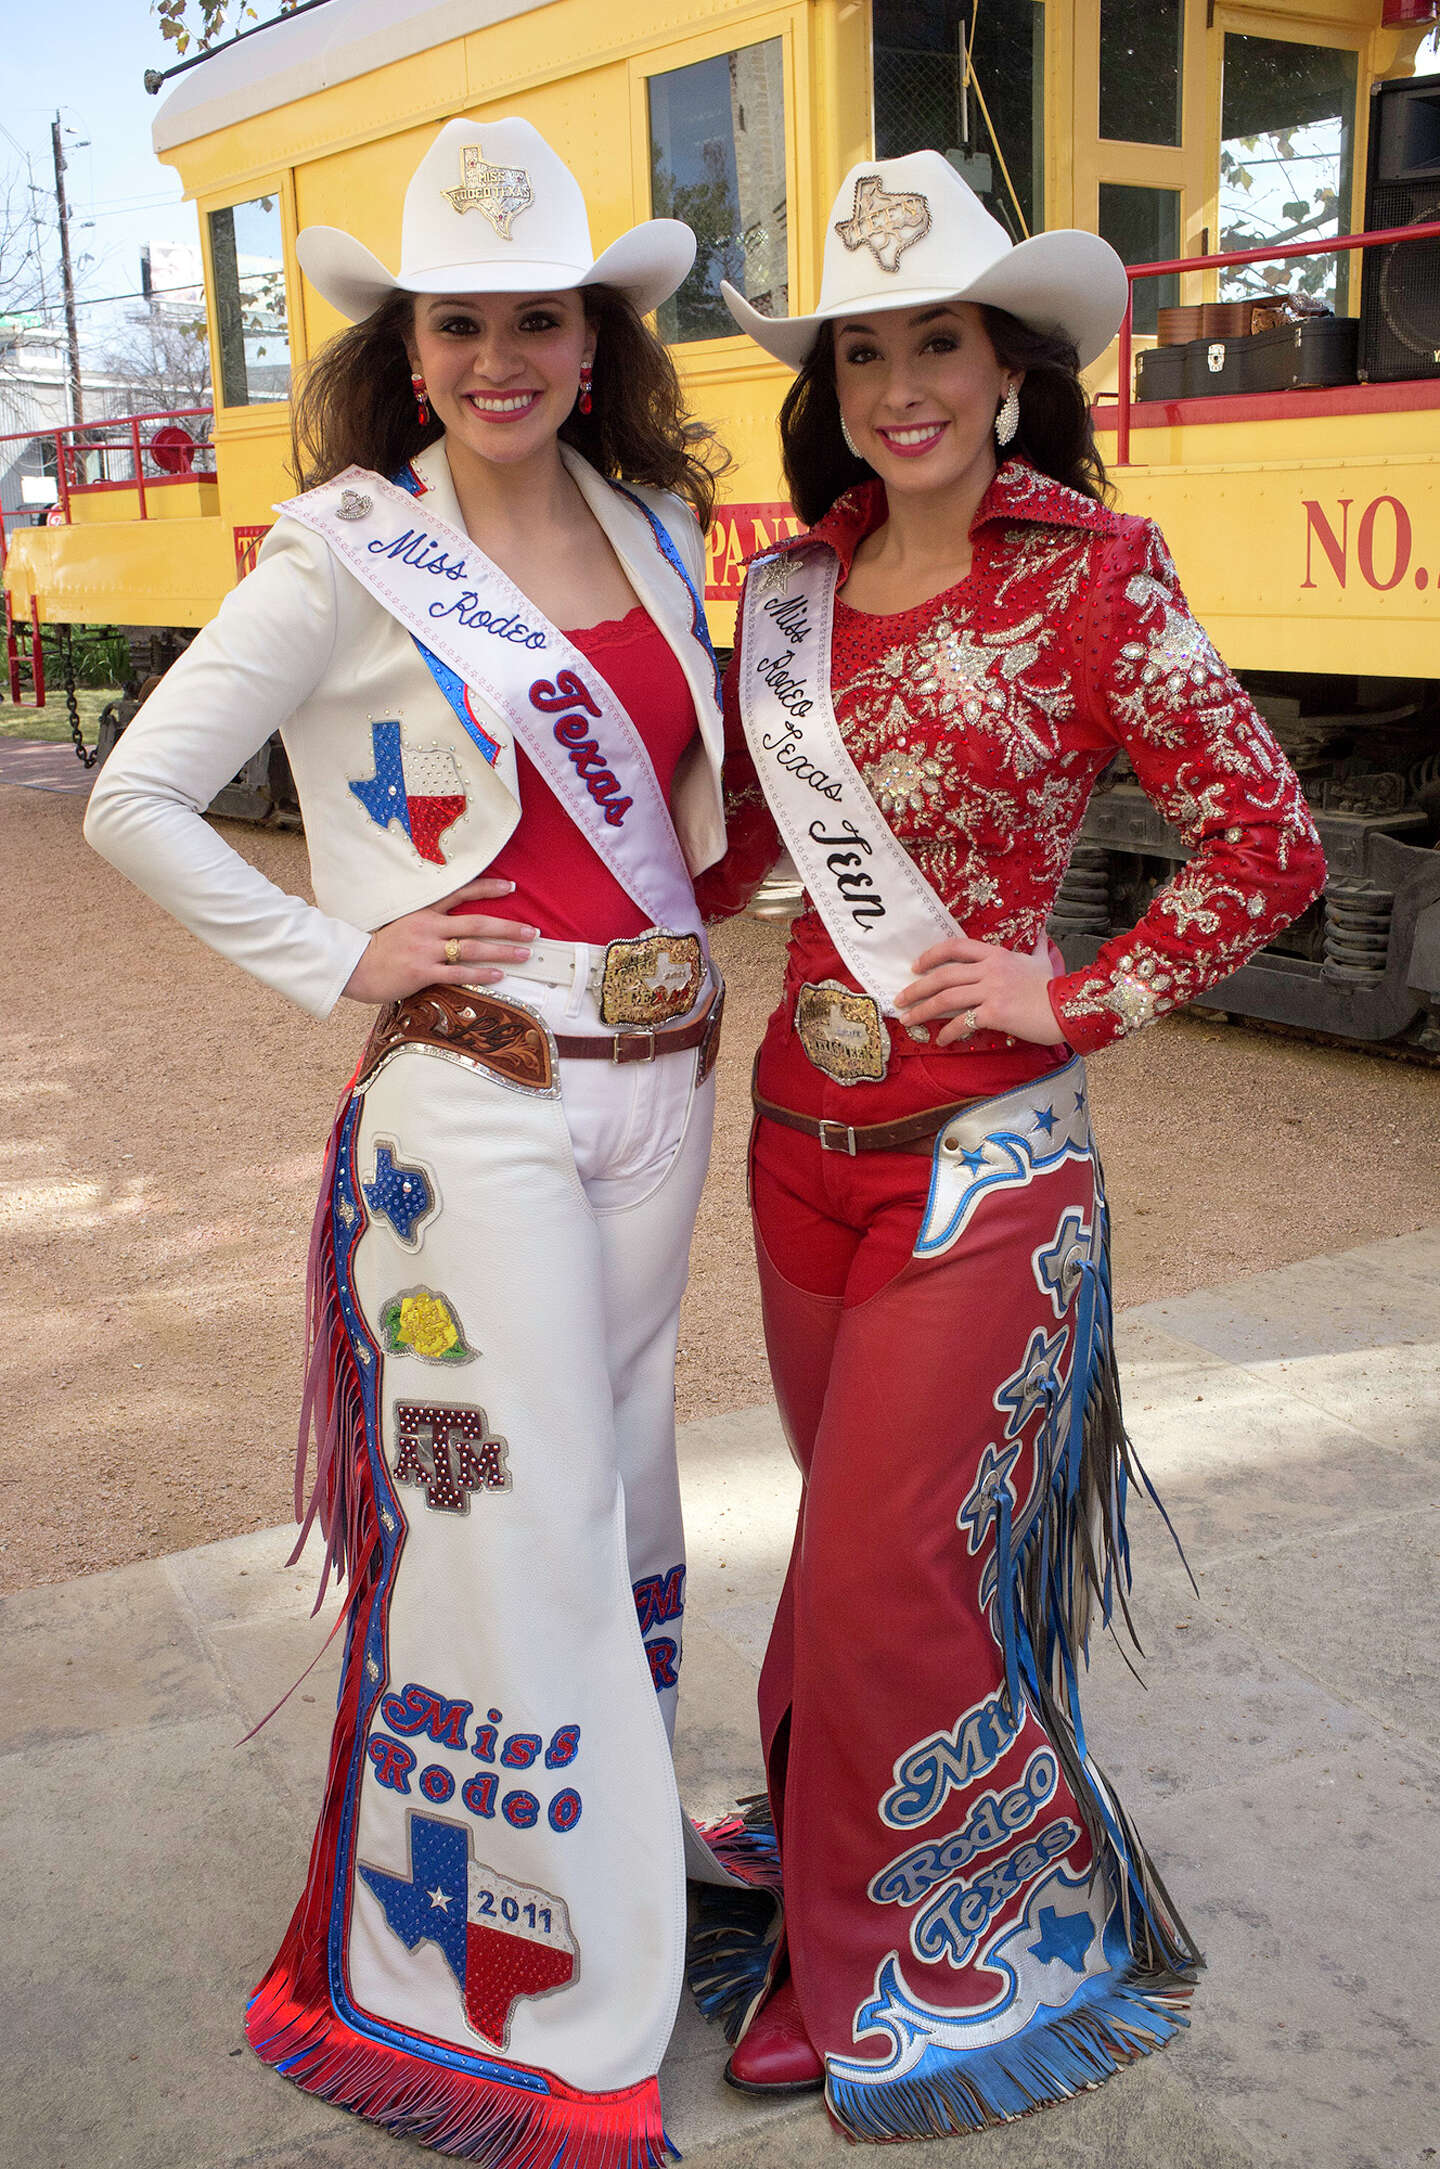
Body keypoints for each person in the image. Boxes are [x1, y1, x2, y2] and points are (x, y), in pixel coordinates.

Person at [85, 116, 770, 2167]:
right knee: (525, 1512)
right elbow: (137, 798)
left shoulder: (652, 521)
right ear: (408, 347)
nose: (500, 354)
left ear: (593, 336)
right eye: (458, 321)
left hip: (664, 1079)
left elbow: (683, 800)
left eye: (536, 318)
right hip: (472, 1093)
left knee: (622, 1490)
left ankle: (608, 1865)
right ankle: (538, 1996)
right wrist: (341, 954)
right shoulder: (340, 554)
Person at [688, 152, 1327, 2140]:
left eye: (936, 341)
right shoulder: (784, 590)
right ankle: (820, 1821)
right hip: (794, 1139)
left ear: (1005, 359)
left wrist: (1081, 990)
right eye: (864, 349)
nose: (901, 383)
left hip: (986, 1167)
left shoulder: (1096, 576)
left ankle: (874, 1945)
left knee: (890, 1557)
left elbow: (1270, 843)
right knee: (859, 1538)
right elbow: (723, 852)